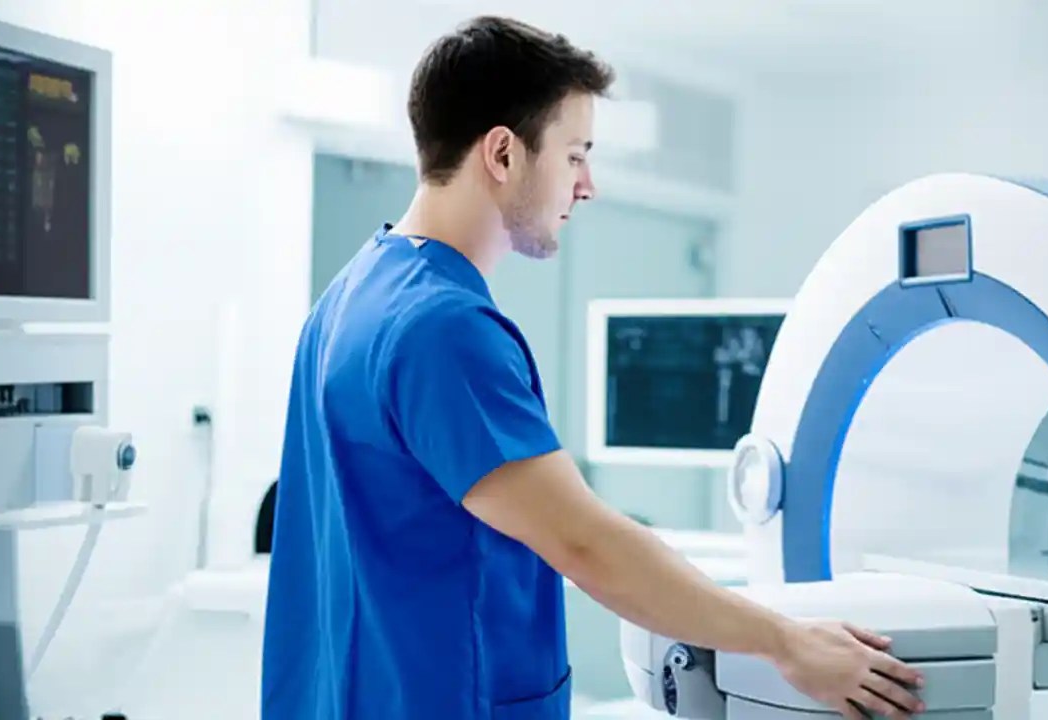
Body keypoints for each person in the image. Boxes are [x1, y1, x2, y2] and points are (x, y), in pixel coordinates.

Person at [261, 15, 926, 720]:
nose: (587, 185)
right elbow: (585, 541)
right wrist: (786, 642)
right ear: (502, 154)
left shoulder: (348, 297)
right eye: (575, 154)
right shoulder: (442, 327)